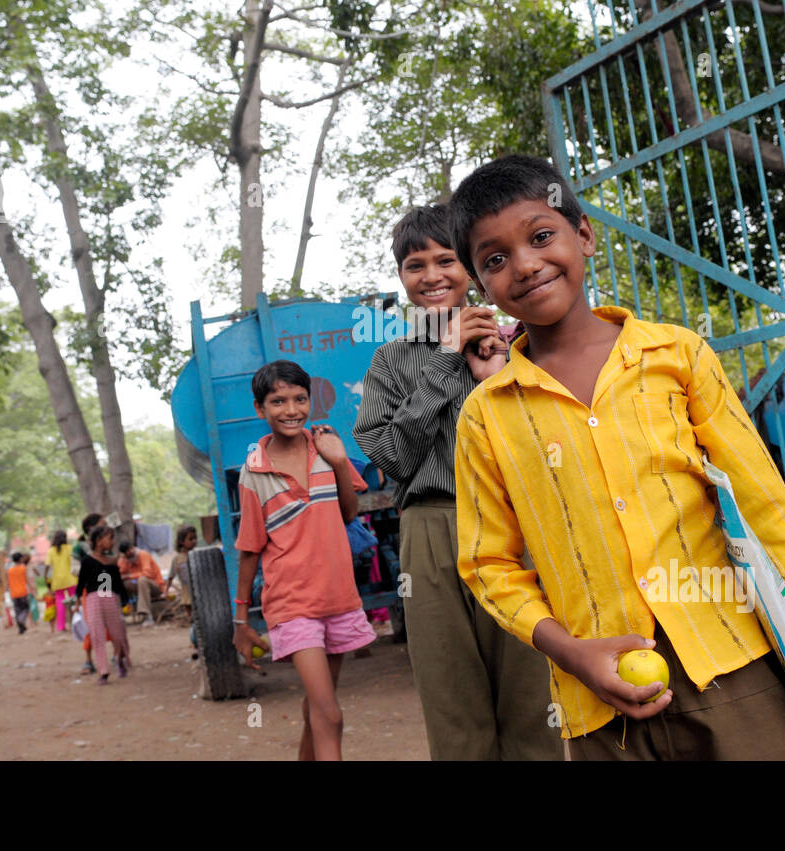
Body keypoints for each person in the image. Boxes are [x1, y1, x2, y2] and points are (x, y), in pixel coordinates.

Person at [447, 154, 785, 760]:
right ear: (482, 287)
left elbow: (768, 510)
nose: (526, 264)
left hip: (734, 667)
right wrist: (571, 654)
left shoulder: (679, 356)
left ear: (584, 235)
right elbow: (487, 563)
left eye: (542, 236)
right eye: (495, 259)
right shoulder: (487, 414)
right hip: (599, 707)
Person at [352, 203, 560, 761]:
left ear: (469, 266)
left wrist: (495, 378)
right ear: (401, 278)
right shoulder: (390, 361)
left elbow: (545, 450)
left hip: (515, 525)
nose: (432, 276)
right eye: (415, 265)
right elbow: (391, 456)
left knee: (531, 692)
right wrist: (447, 362)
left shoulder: (520, 344)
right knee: (451, 694)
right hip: (430, 528)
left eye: (446, 259)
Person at [232, 360, 376, 761]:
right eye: (278, 401)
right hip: (292, 605)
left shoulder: (325, 449)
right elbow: (249, 549)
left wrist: (340, 461)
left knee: (317, 708)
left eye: (299, 399)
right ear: (260, 409)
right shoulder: (254, 474)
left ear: (310, 401)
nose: (291, 409)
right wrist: (241, 621)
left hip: (338, 599)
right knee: (330, 713)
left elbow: (349, 513)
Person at [77, 524, 131, 685]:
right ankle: (103, 671)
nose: (113, 542)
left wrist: (125, 601)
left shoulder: (112, 562)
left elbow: (118, 584)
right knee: (97, 635)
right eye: (110, 538)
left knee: (118, 635)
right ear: (99, 541)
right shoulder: (87, 561)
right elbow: (81, 583)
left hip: (110, 598)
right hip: (93, 599)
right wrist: (76, 602)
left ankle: (120, 658)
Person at [118, 540, 165, 626]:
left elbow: (146, 574)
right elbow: (120, 573)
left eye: (129, 550)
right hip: (140, 585)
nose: (128, 553)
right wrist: (123, 560)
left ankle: (147, 615)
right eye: (125, 553)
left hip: (155, 586)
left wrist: (129, 576)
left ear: (132, 548)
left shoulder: (142, 554)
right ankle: (122, 611)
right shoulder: (126, 559)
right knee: (121, 582)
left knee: (142, 579)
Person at [45, 530, 78, 633]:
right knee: (73, 602)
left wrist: (46, 578)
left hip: (58, 581)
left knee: (60, 604)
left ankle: (61, 627)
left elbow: (47, 567)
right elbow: (75, 563)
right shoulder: (69, 548)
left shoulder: (51, 551)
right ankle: (74, 624)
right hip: (71, 579)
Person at [167, 525, 197, 616]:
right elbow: (170, 576)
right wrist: (166, 590)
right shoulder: (177, 559)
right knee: (190, 612)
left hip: (198, 588)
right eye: (190, 539)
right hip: (186, 589)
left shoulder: (197, 555)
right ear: (181, 542)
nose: (194, 541)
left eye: (195, 538)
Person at [6, 552, 32, 634]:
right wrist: (32, 589)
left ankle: (21, 628)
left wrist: (5, 591)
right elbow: (27, 580)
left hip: (13, 593)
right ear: (20, 559)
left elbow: (8, 583)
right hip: (23, 592)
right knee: (25, 608)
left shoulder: (10, 570)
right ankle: (22, 620)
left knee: (17, 610)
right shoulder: (23, 568)